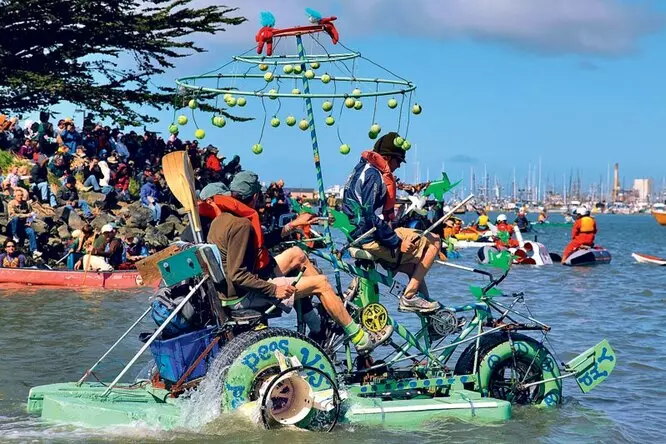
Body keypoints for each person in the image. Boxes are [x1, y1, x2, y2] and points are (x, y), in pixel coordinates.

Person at [205, 171, 389, 354]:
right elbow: (237, 275)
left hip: (235, 289)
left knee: (297, 254)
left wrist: (292, 225)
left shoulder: (222, 220)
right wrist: (274, 289)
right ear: (255, 196)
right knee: (322, 284)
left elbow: (258, 245)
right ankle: (359, 338)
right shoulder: (241, 225)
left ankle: (327, 318)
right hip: (243, 296)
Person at [342, 132, 441, 313]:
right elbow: (369, 216)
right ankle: (408, 298)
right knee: (434, 240)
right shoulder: (373, 176)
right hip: (369, 238)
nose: (397, 167)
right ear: (387, 158)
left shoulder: (360, 169)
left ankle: (432, 316)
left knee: (413, 266)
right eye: (397, 162)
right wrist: (396, 242)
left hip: (359, 235)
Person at [6, 188, 42, 258]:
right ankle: (15, 235)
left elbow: (31, 214)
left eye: (21, 195)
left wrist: (30, 221)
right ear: (15, 196)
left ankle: (34, 251)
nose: (20, 197)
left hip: (22, 225)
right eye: (18, 195)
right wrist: (26, 215)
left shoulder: (26, 204)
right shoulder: (11, 203)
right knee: (15, 218)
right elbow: (13, 215)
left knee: (30, 231)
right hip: (12, 225)